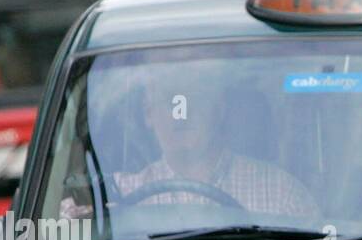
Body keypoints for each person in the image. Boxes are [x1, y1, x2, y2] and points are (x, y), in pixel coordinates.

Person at [112, 68, 319, 218]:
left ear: (218, 110)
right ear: (149, 114)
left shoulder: (282, 195)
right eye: (171, 100)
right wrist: (82, 223)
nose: (182, 114)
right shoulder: (117, 194)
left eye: (194, 98)